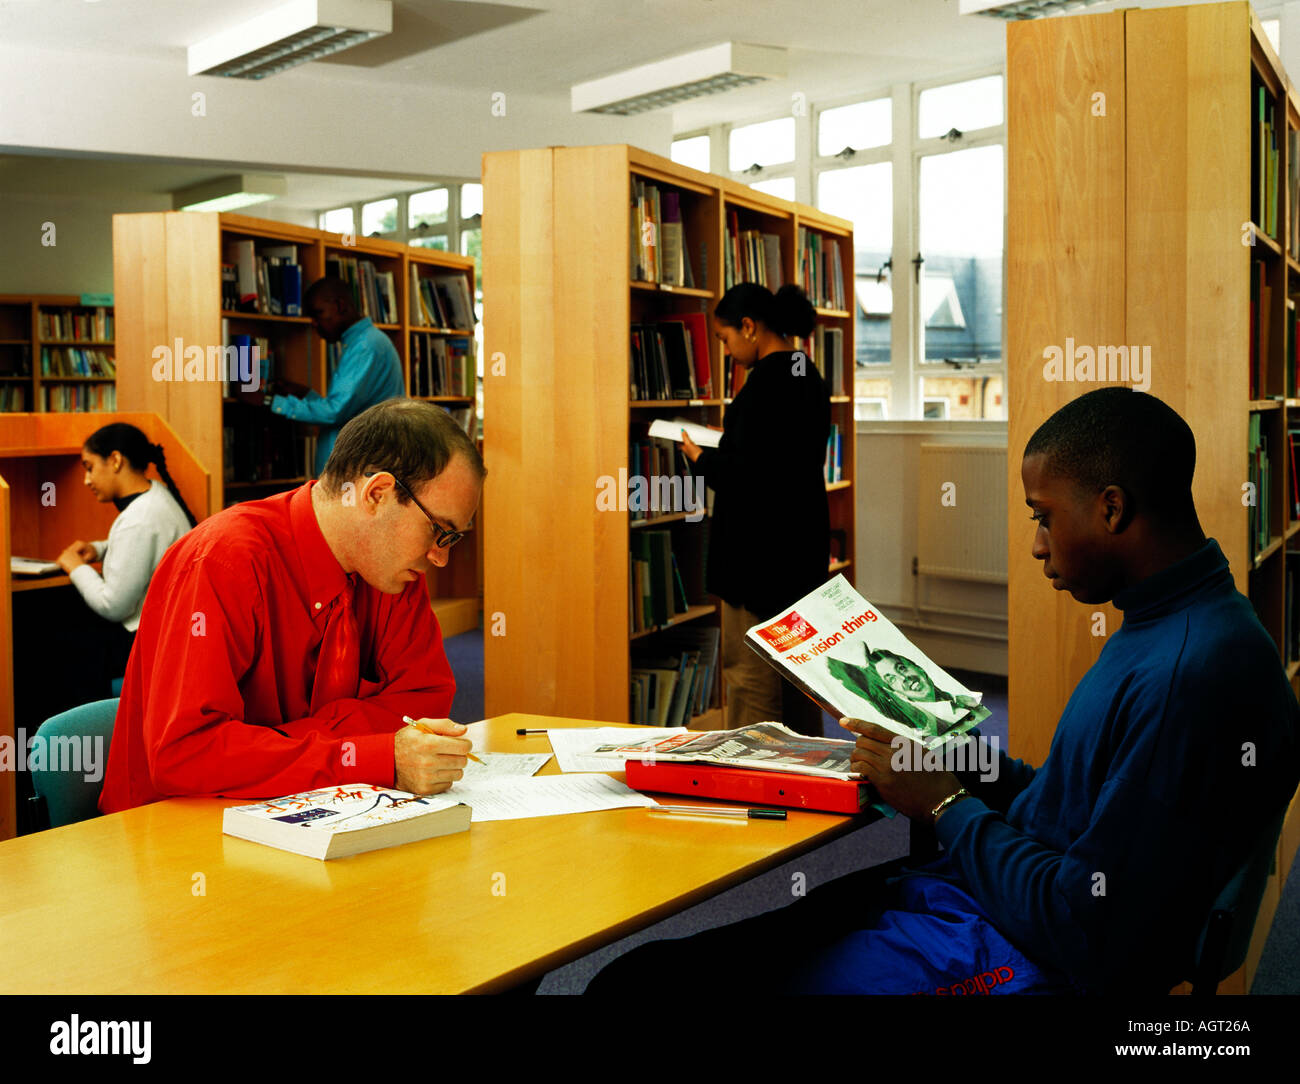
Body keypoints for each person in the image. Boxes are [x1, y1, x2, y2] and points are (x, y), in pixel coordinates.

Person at [587, 387, 1300, 995]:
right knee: (665, 966)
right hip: (985, 901)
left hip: (1021, 953)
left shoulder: (1183, 675)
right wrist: (956, 760)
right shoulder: (1180, 621)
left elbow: (1089, 930)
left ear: (1111, 508)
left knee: (643, 985)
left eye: (1044, 516)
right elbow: (1067, 806)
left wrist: (945, 805)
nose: (1037, 545)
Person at [98, 398, 485, 814]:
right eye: (440, 531)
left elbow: (425, 700)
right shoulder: (223, 563)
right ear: (377, 494)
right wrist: (366, 753)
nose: (440, 558)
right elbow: (186, 756)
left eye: (452, 539)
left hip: (316, 815)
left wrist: (279, 745)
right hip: (176, 831)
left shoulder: (393, 569)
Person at [680, 282, 830, 736]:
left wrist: (701, 457)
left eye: (726, 339)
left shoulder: (763, 384)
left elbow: (746, 477)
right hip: (800, 554)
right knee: (799, 676)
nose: (727, 351)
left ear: (749, 327)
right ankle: (811, 775)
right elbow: (781, 462)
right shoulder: (809, 376)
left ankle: (754, 780)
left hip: (755, 562)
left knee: (750, 679)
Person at [54, 423, 196, 687]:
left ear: (116, 460)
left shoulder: (140, 519)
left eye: (89, 467)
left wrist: (76, 568)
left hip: (144, 641)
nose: (86, 480)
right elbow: (147, 543)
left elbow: (113, 606)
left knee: (58, 642)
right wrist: (100, 548)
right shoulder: (155, 494)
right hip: (170, 634)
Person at [267, 275, 405, 476]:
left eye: (319, 313)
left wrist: (271, 402)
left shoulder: (365, 347)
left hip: (359, 472)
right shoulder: (363, 343)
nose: (314, 323)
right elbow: (348, 409)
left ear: (340, 306)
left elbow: (335, 412)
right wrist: (307, 394)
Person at [825, 644, 989, 739]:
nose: (905, 679)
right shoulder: (923, 720)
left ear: (917, 667)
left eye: (901, 668)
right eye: (892, 679)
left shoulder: (962, 700)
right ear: (896, 692)